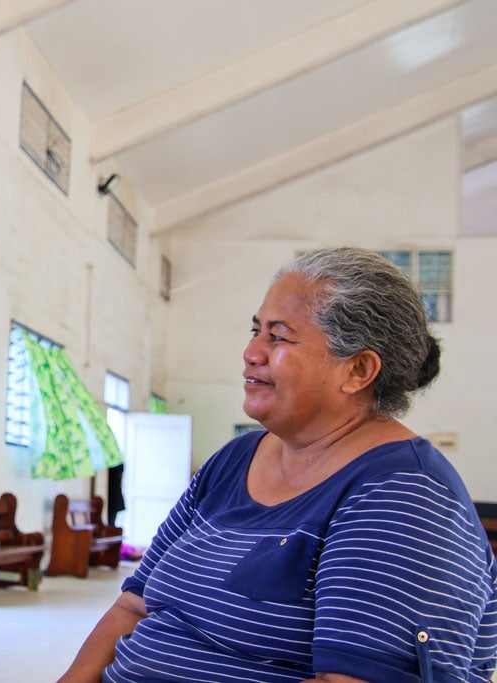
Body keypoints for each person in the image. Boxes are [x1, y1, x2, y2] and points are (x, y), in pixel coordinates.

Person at [59, 247, 497, 683]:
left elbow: (350, 678)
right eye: (255, 330)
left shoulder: (402, 494)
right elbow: (133, 605)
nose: (251, 351)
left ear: (358, 370)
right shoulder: (234, 460)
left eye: (278, 336)